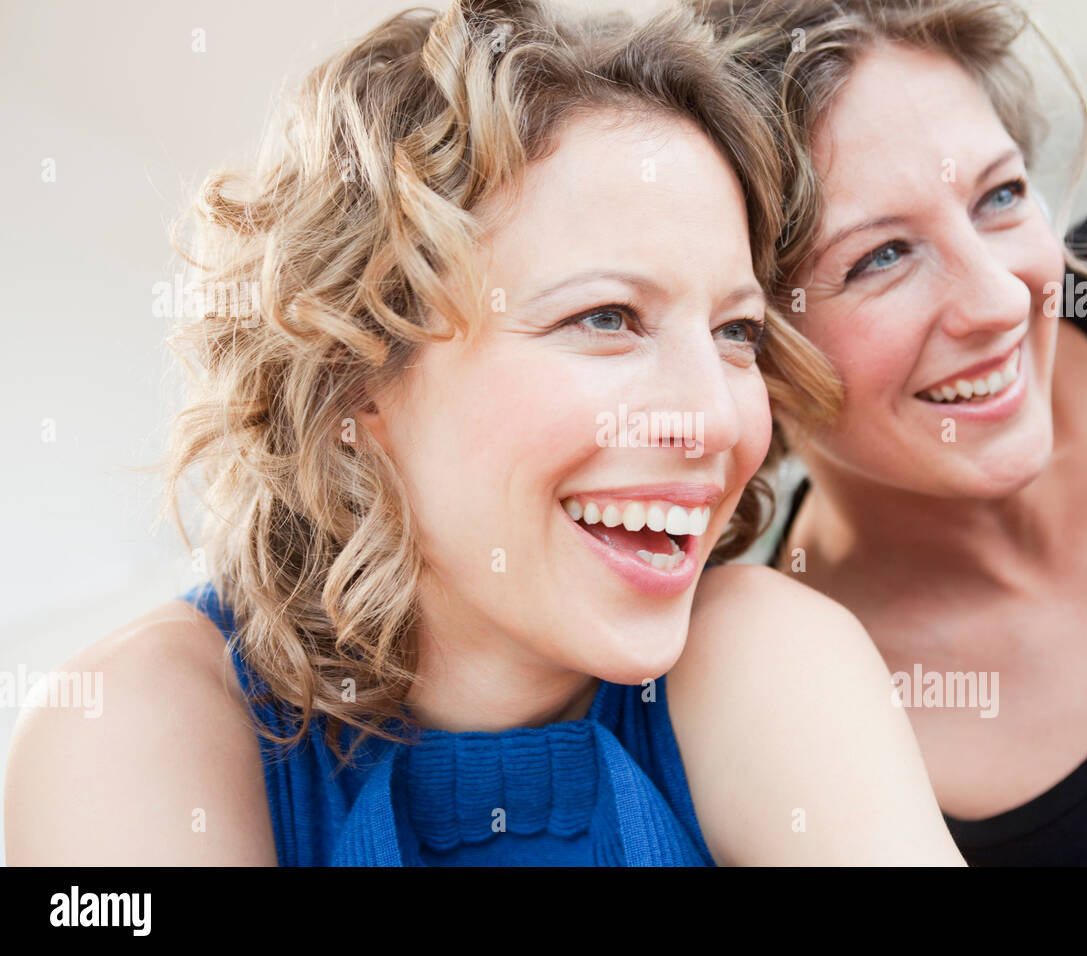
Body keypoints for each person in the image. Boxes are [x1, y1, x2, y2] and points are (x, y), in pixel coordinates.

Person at [3, 0, 963, 867]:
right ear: (355, 379)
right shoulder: (134, 730)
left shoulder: (767, 664)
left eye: (736, 332)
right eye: (606, 318)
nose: (714, 418)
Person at [701, 0, 1087, 863]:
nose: (1000, 299)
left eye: (1001, 196)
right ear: (754, 342)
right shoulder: (811, 699)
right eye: (881, 256)